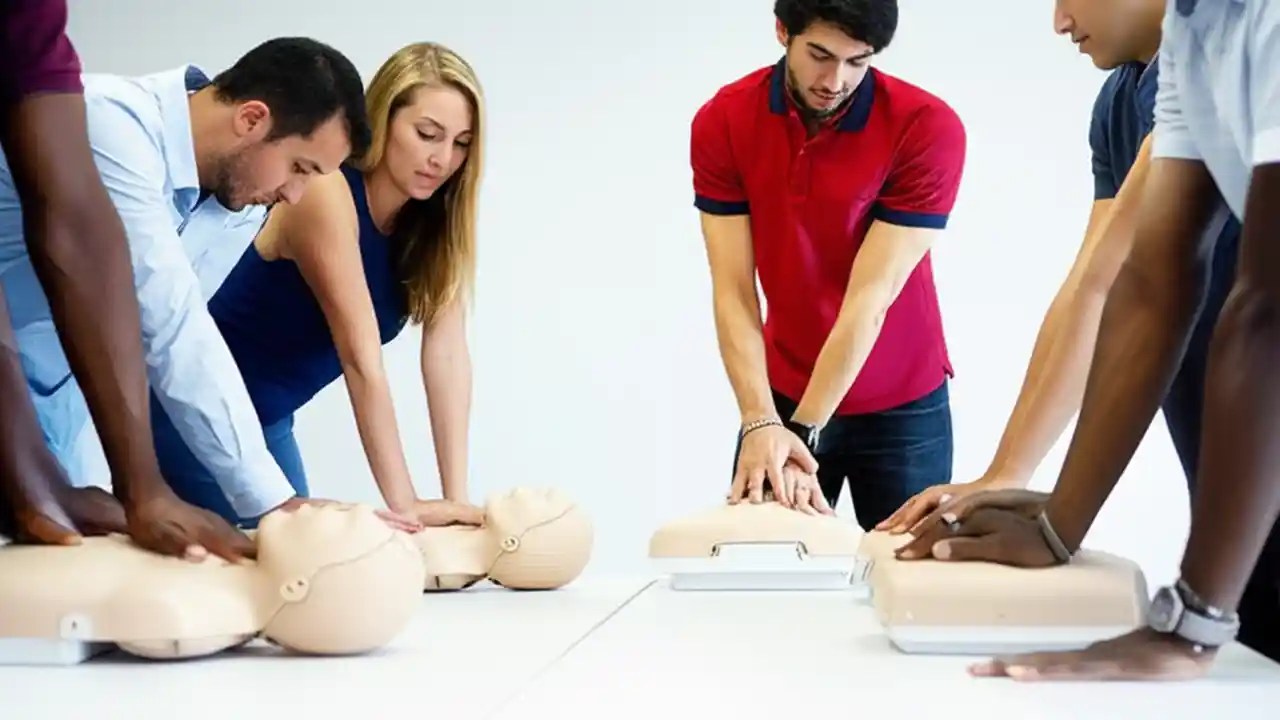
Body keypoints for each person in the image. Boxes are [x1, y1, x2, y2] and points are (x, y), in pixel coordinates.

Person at [897, 0, 1280, 679]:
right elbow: (1146, 287)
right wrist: (1054, 524)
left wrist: (1189, 628)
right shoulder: (1194, 38)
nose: (1056, 21)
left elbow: (1269, 308)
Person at [0, 36, 423, 539]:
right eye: (299, 168)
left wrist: (275, 504)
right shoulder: (110, 127)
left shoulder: (235, 204)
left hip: (53, 406)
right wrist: (276, 500)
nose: (295, 194)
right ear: (251, 119)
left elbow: (185, 344)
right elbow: (171, 327)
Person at [151, 42, 485, 529]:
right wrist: (406, 506)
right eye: (427, 134)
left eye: (460, 143)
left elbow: (447, 355)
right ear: (385, 120)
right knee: (296, 568)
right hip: (194, 416)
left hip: (268, 424)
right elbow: (360, 357)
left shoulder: (434, 229)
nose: (442, 158)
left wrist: (458, 506)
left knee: (307, 573)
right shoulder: (325, 191)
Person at [691, 0, 966, 526]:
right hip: (780, 390)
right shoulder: (722, 120)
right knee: (762, 573)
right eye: (819, 54)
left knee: (906, 580)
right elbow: (733, 290)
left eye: (857, 61)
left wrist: (798, 434)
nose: (835, 80)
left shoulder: (927, 126)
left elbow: (871, 296)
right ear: (781, 31)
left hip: (903, 401)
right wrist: (759, 421)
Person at [0, 0, 255, 560]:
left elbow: (78, 226)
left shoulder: (31, 18)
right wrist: (22, 464)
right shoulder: (116, 118)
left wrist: (142, 488)